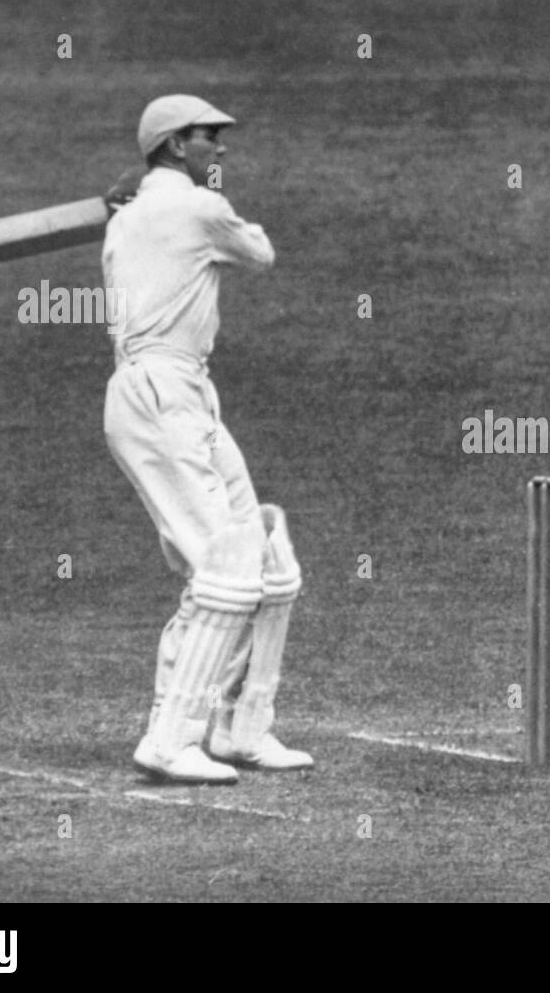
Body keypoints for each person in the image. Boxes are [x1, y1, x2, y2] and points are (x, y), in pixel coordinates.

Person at [102, 94, 313, 783]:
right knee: (224, 570)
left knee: (268, 560)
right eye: (207, 137)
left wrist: (137, 197)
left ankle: (239, 727)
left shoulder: (127, 218)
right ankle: (170, 740)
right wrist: (190, 202)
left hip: (185, 393)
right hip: (159, 394)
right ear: (173, 145)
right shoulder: (198, 208)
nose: (219, 149)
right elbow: (261, 252)